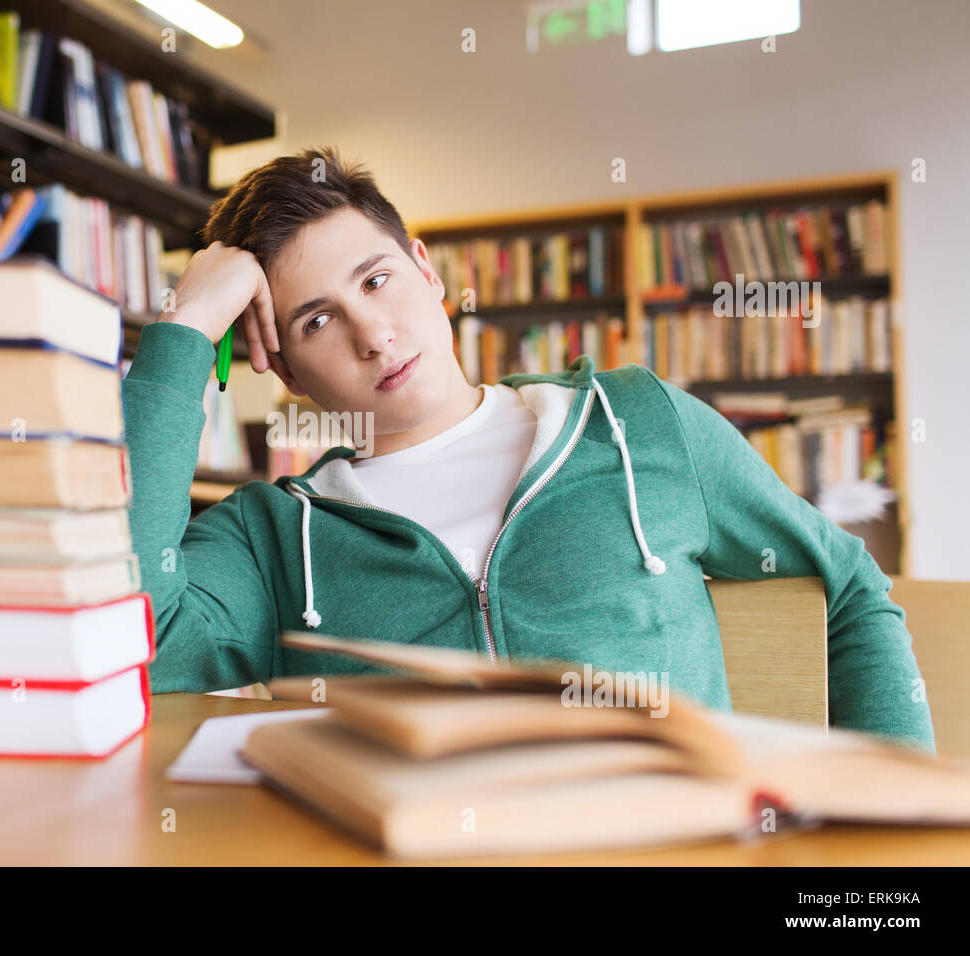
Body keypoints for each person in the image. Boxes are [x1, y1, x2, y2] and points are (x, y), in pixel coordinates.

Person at [122, 146, 935, 753]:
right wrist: (184, 333)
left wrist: (887, 849)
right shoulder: (271, 536)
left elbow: (852, 587)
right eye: (317, 320)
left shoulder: (637, 422)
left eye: (375, 281)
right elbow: (132, 642)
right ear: (284, 370)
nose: (374, 334)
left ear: (426, 271)